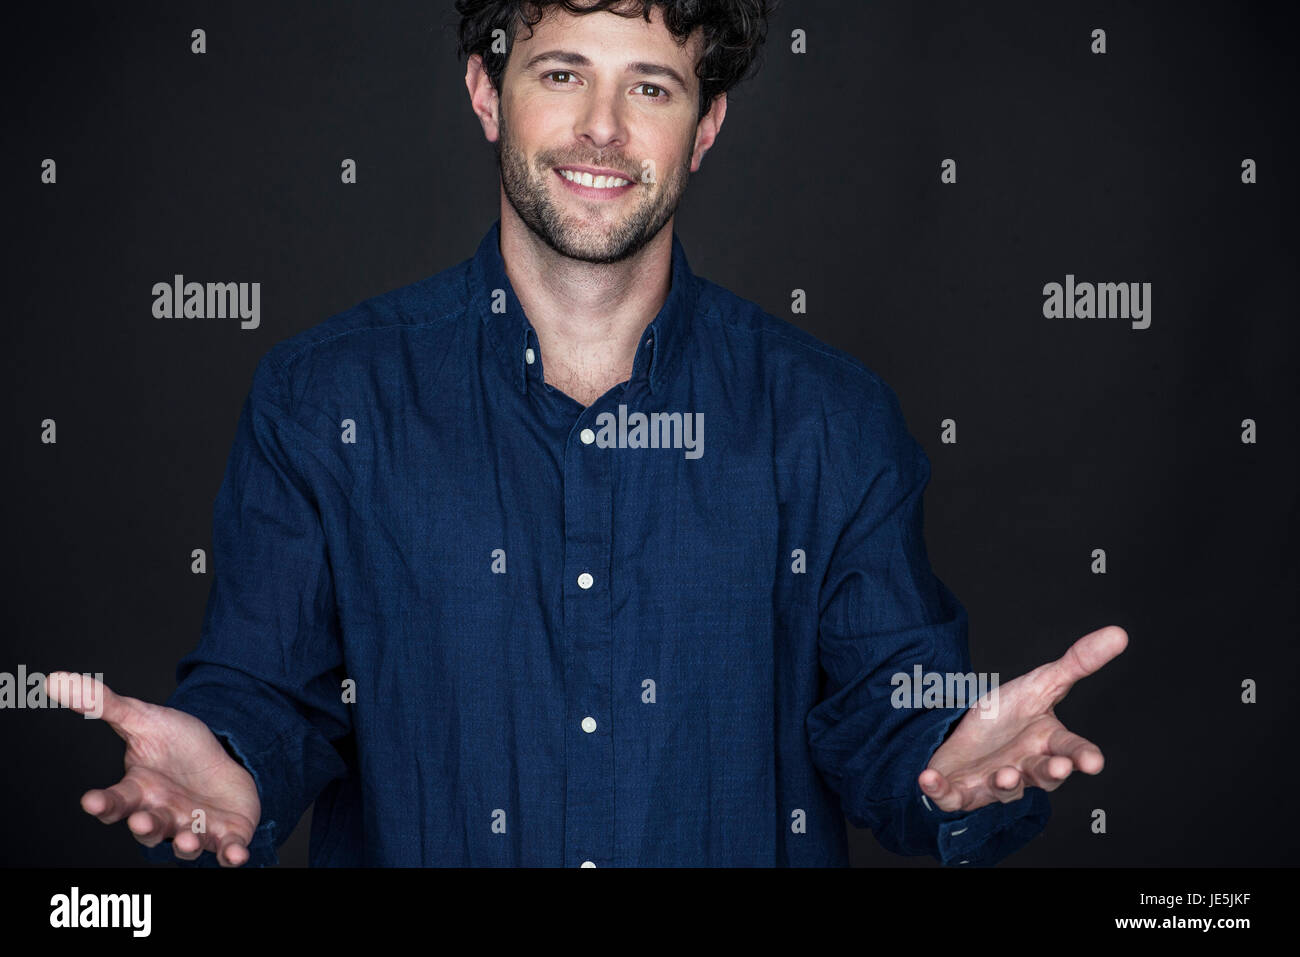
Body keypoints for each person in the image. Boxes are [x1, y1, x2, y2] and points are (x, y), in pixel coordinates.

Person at [48, 0, 1127, 867]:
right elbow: (267, 692)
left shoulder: (832, 419)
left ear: (703, 126)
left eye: (648, 85)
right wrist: (228, 761)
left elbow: (889, 720)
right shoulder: (319, 397)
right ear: (487, 90)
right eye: (561, 72)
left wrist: (951, 758)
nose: (602, 129)